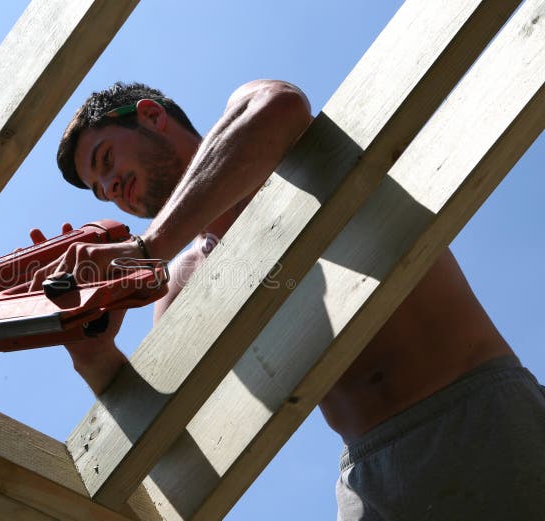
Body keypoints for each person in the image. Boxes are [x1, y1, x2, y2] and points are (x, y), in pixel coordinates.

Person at [40, 81, 545, 520]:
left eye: (106, 160)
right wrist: (93, 355)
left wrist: (148, 248)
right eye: (100, 191)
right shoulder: (184, 282)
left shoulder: (284, 151)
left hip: (477, 413)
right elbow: (167, 432)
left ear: (151, 115)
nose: (111, 187)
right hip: (367, 473)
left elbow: (280, 105)